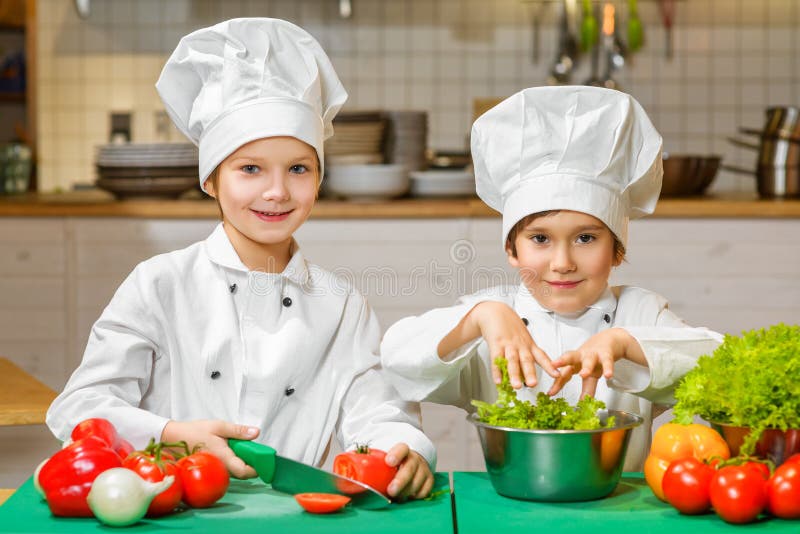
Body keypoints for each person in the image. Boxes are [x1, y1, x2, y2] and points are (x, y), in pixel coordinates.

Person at [46, 18, 435, 500]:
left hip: (297, 515)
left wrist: (404, 450)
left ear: (318, 180)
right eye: (250, 169)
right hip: (170, 505)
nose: (276, 191)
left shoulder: (340, 304)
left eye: (298, 169)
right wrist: (170, 433)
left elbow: (378, 413)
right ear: (211, 179)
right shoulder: (159, 284)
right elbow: (79, 408)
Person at [380, 86, 723, 471]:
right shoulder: (493, 320)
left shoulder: (639, 312)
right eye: (540, 239)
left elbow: (721, 364)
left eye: (586, 238)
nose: (562, 263)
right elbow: (396, 360)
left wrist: (626, 344)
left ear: (617, 248)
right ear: (512, 250)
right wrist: (481, 318)